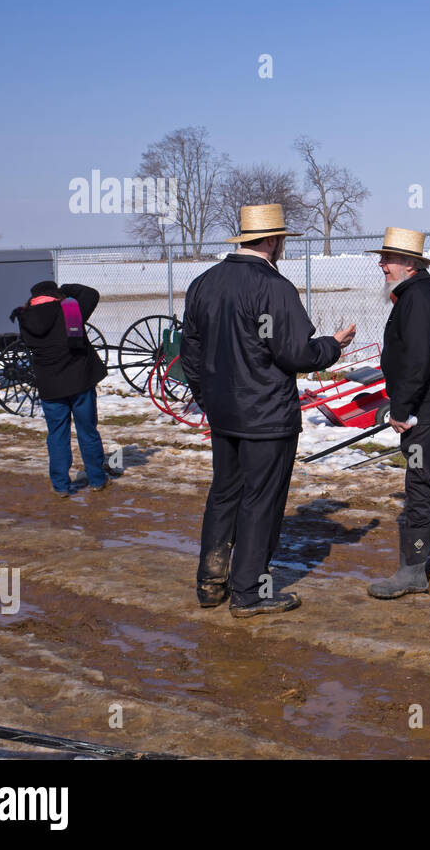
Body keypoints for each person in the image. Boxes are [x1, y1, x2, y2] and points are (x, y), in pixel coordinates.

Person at [179, 204, 356, 619]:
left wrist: (210, 399)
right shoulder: (274, 288)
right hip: (266, 417)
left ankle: (210, 581)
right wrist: (333, 344)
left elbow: (191, 353)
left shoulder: (203, 284)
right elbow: (295, 353)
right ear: (274, 240)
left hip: (225, 415)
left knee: (224, 493)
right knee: (261, 501)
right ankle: (249, 592)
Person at [365, 227, 430, 600]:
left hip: (425, 407)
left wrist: (402, 408)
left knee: (420, 484)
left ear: (409, 264)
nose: (382, 265)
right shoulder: (418, 293)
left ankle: (413, 570)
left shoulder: (418, 298)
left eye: (387, 259)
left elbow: (417, 361)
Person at [13, 280, 109, 497]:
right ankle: (96, 479)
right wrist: (65, 289)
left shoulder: (25, 316)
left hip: (50, 386)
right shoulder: (69, 310)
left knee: (57, 435)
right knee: (87, 431)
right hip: (79, 382)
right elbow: (91, 293)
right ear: (55, 294)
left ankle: (60, 486)